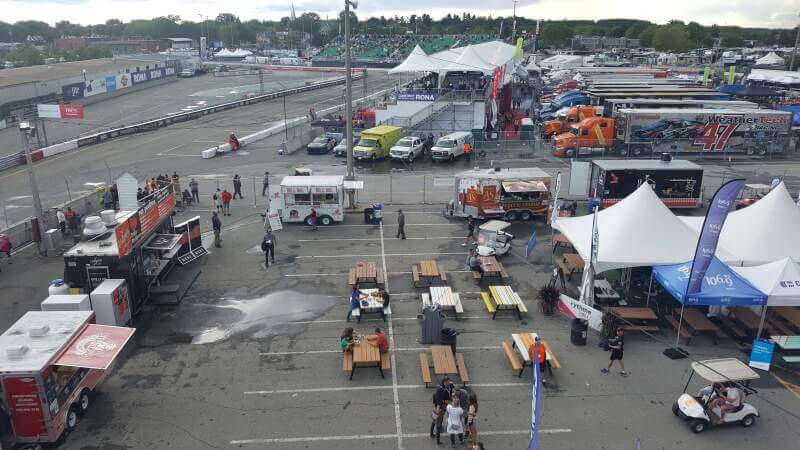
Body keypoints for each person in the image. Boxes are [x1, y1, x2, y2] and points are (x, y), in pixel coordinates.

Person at [431, 377, 454, 444]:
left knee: (434, 421)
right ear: (445, 382)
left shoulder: (439, 389)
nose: (449, 383)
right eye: (448, 382)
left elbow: (435, 398)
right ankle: (438, 441)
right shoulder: (443, 391)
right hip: (440, 409)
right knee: (438, 424)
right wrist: (448, 401)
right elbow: (445, 401)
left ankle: (431, 434)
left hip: (437, 408)